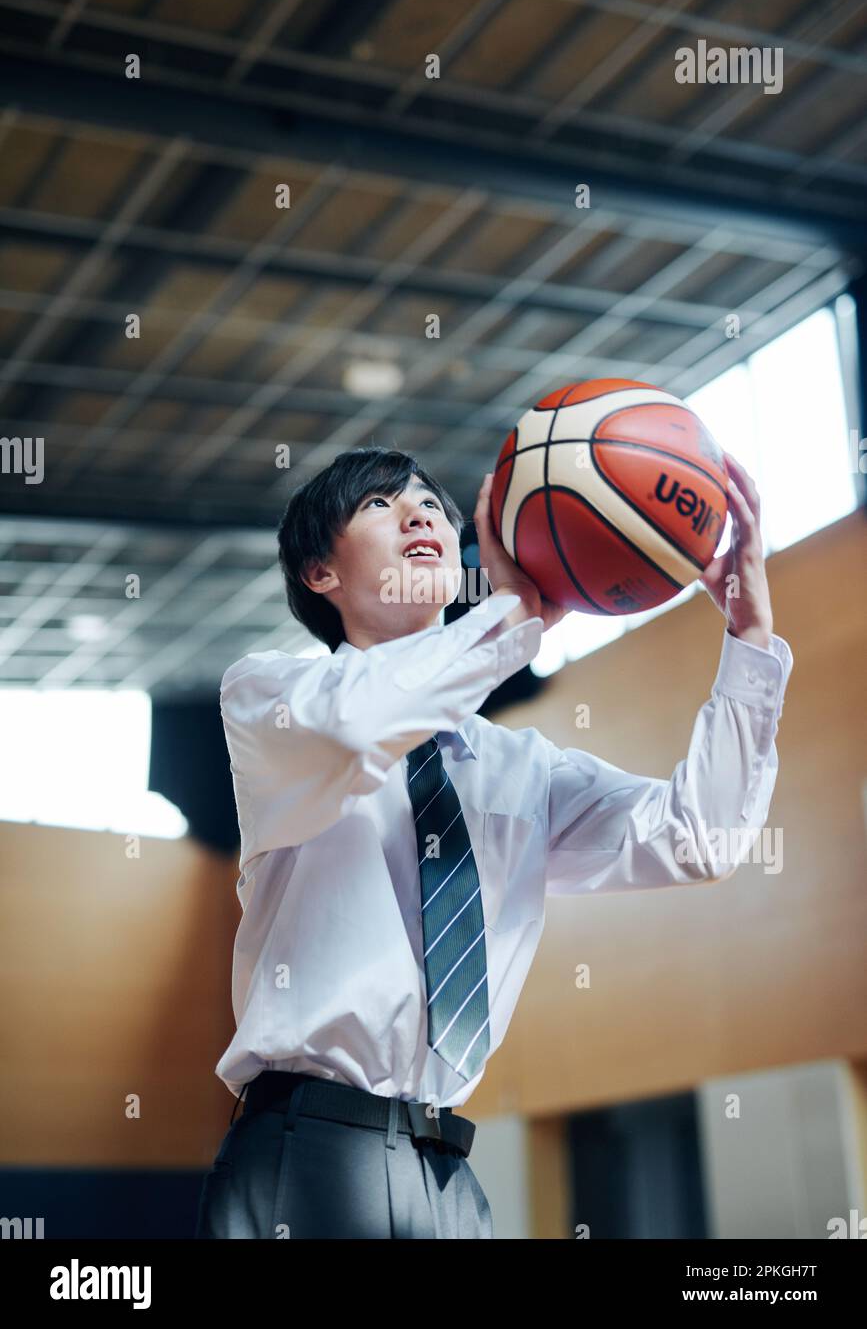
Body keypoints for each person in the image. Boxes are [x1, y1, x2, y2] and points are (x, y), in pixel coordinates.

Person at [194, 445, 792, 1239]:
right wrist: (513, 616)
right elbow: (361, 720)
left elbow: (700, 838)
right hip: (310, 1148)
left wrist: (749, 642)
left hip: (449, 1169)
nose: (418, 515)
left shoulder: (521, 768)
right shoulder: (271, 697)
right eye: (377, 505)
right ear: (318, 573)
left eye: (432, 506)